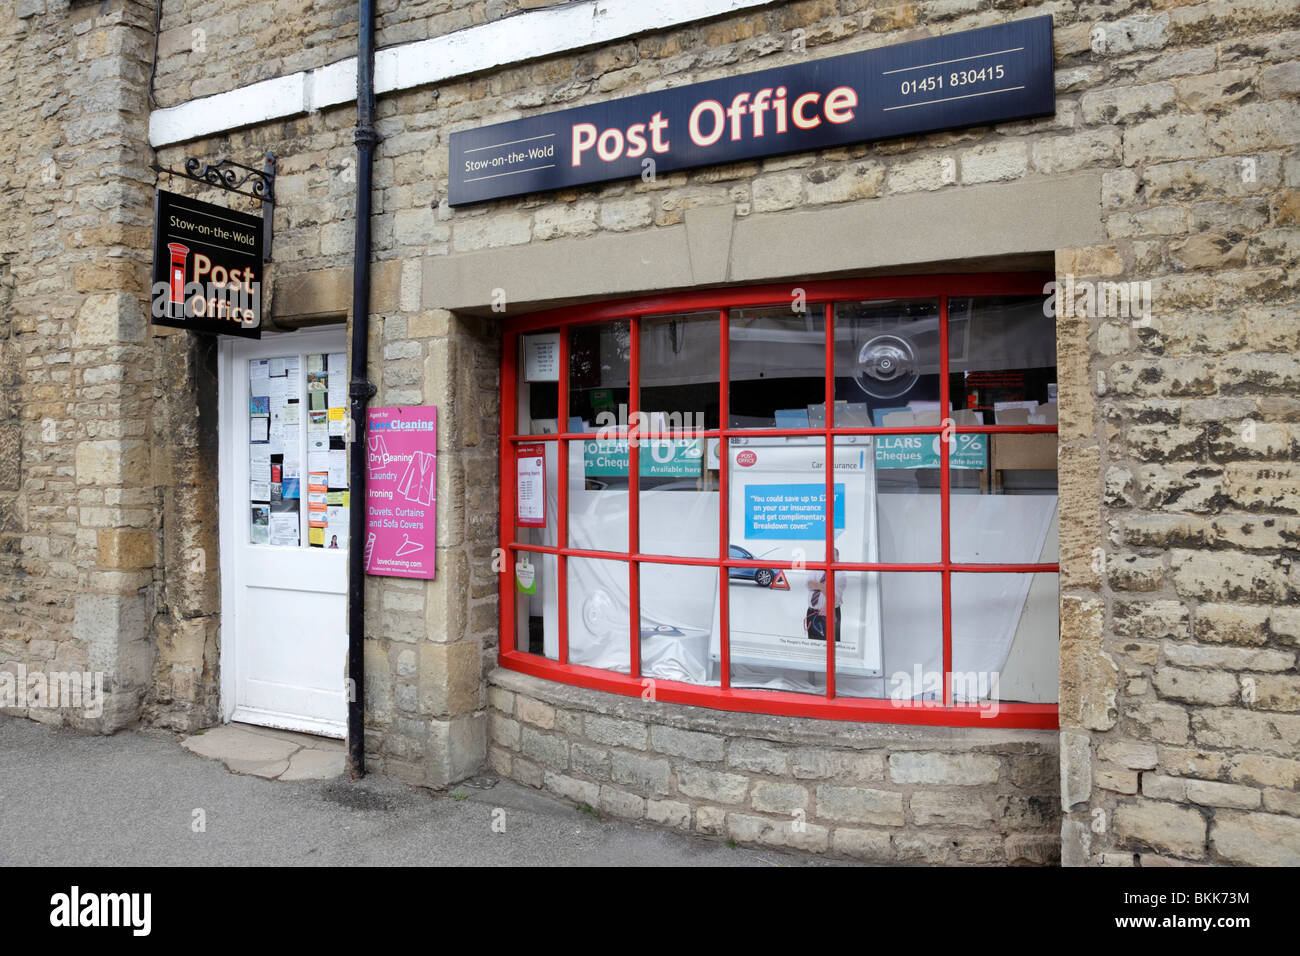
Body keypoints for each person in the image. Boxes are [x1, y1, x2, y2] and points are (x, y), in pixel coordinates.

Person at [803, 548, 846, 642]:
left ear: (838, 558)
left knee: (831, 643)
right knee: (813, 643)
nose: (828, 557)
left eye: (832, 555)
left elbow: (834, 596)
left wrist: (818, 585)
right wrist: (825, 587)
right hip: (811, 612)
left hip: (830, 613)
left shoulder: (840, 574)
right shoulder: (817, 568)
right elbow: (808, 584)